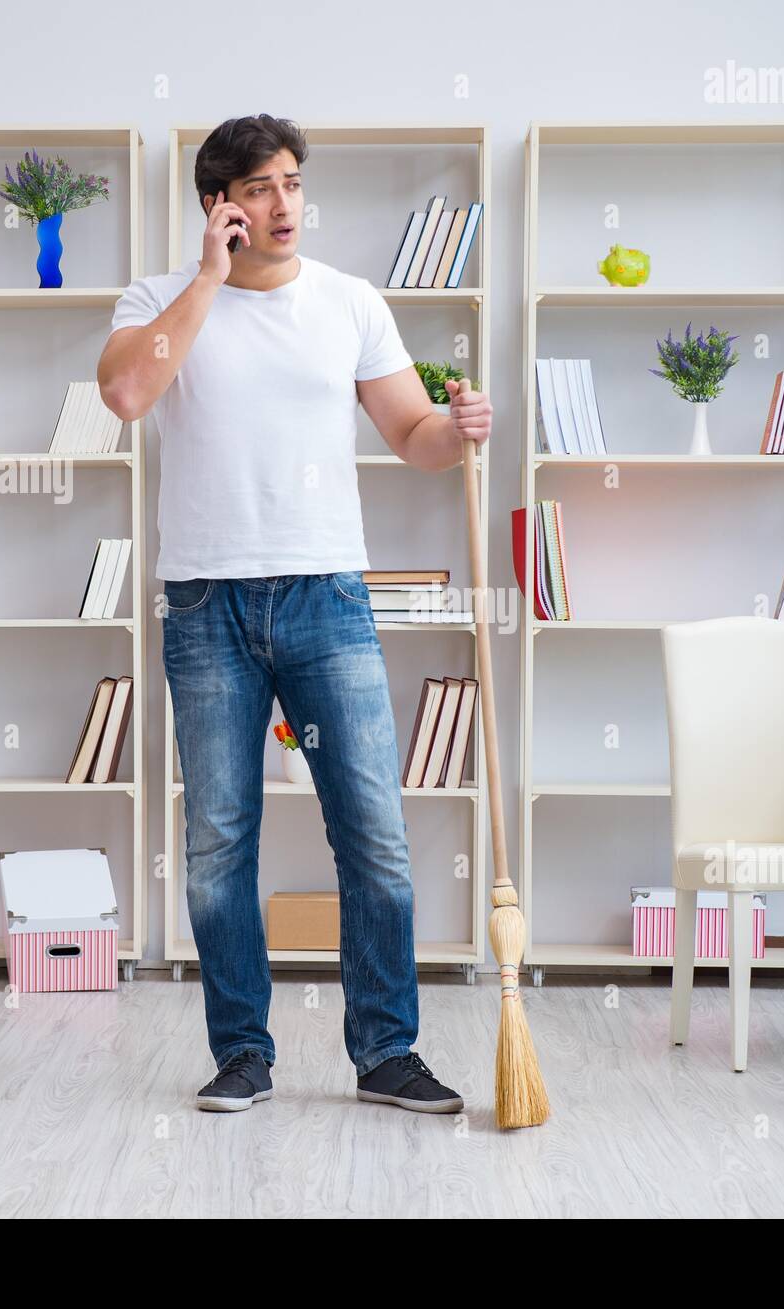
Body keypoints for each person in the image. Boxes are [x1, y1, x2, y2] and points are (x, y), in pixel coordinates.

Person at [97, 114, 491, 1114]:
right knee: (219, 836)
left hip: (327, 595)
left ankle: (386, 1053)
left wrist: (456, 428)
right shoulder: (159, 298)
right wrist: (206, 283)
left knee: (373, 833)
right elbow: (129, 392)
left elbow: (412, 436)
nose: (283, 206)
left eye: (293, 184)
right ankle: (243, 1053)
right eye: (260, 189)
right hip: (206, 601)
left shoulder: (351, 303)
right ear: (218, 206)